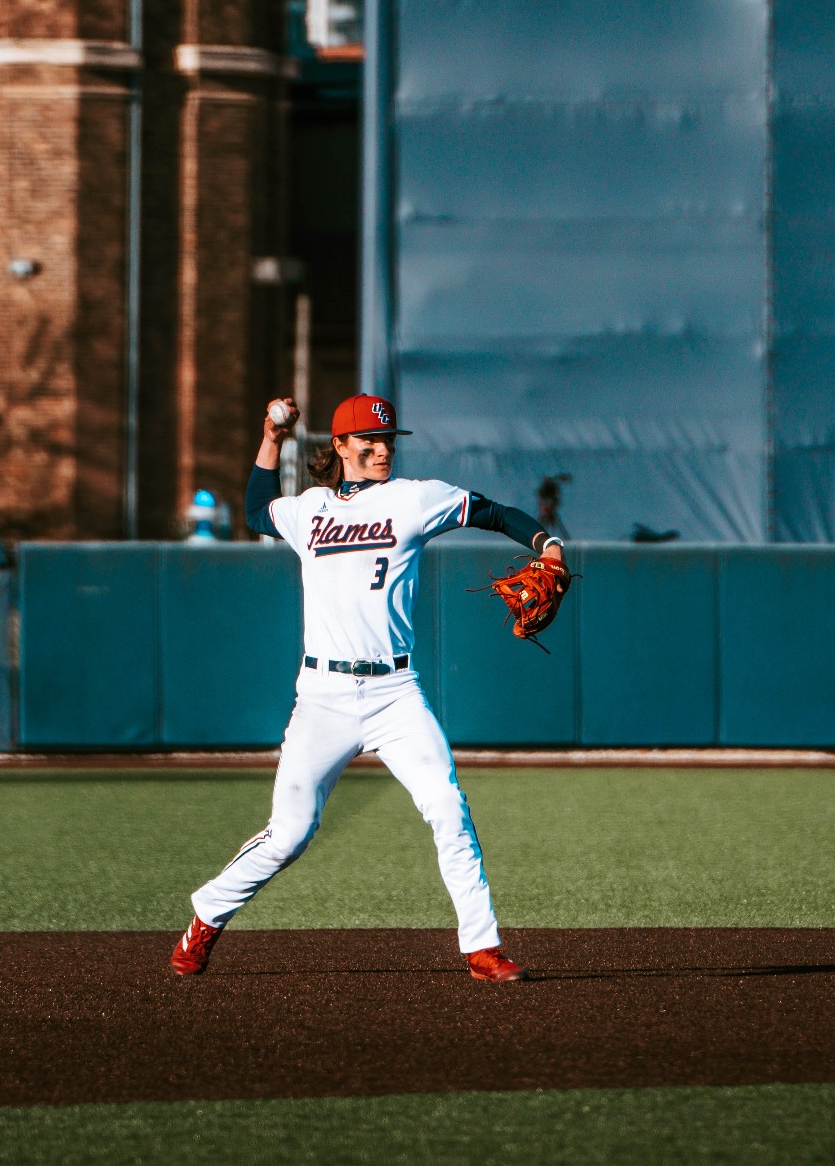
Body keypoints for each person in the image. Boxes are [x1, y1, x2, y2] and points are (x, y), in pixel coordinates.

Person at [169, 393, 566, 982]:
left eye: (387, 441)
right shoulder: (309, 510)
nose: (381, 450)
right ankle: (206, 918)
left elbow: (496, 513)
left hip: (395, 693)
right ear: (341, 446)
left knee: (449, 809)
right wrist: (271, 438)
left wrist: (548, 547)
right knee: (291, 834)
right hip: (323, 697)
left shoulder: (415, 499)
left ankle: (482, 947)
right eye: (368, 442)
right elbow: (256, 511)